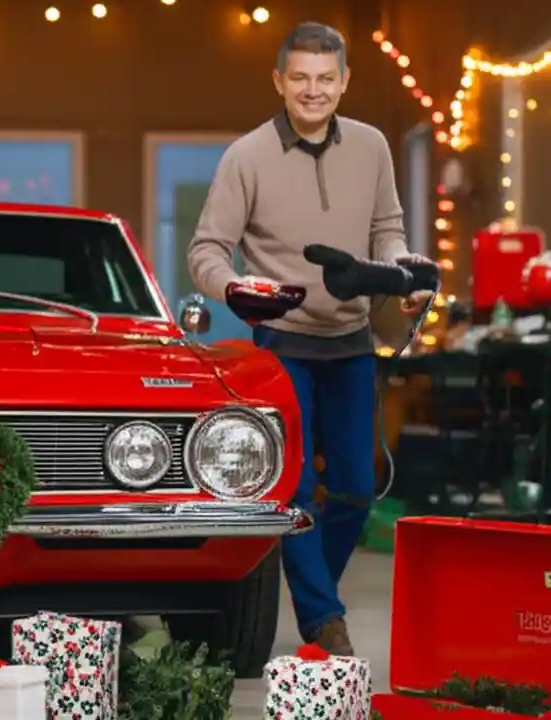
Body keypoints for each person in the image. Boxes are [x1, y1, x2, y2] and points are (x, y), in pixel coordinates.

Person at [186, 21, 433, 656]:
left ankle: (305, 585)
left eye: (326, 79)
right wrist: (236, 289)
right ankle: (325, 620)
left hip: (350, 339)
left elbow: (388, 230)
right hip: (281, 343)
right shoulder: (247, 156)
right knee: (292, 490)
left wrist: (401, 273)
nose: (313, 91)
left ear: (344, 82)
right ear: (279, 80)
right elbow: (207, 250)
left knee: (354, 488)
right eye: (300, 78)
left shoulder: (374, 147)